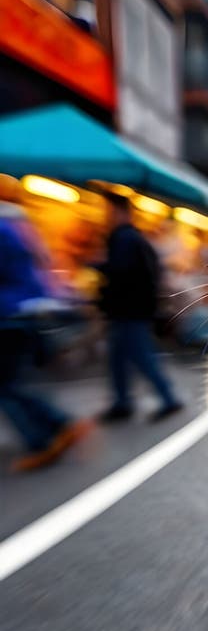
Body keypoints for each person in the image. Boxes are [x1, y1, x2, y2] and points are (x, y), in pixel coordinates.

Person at [0, 202, 92, 471]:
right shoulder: (15, 227)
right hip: (23, 310)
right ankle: (59, 425)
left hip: (9, 313)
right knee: (13, 381)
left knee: (7, 385)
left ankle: (43, 439)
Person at [96, 191, 183, 422]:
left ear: (119, 212)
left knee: (140, 355)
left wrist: (98, 268)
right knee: (120, 356)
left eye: (108, 211)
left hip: (128, 309)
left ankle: (167, 399)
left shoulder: (124, 239)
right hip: (134, 308)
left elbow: (121, 272)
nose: (105, 216)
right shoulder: (135, 238)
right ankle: (123, 402)